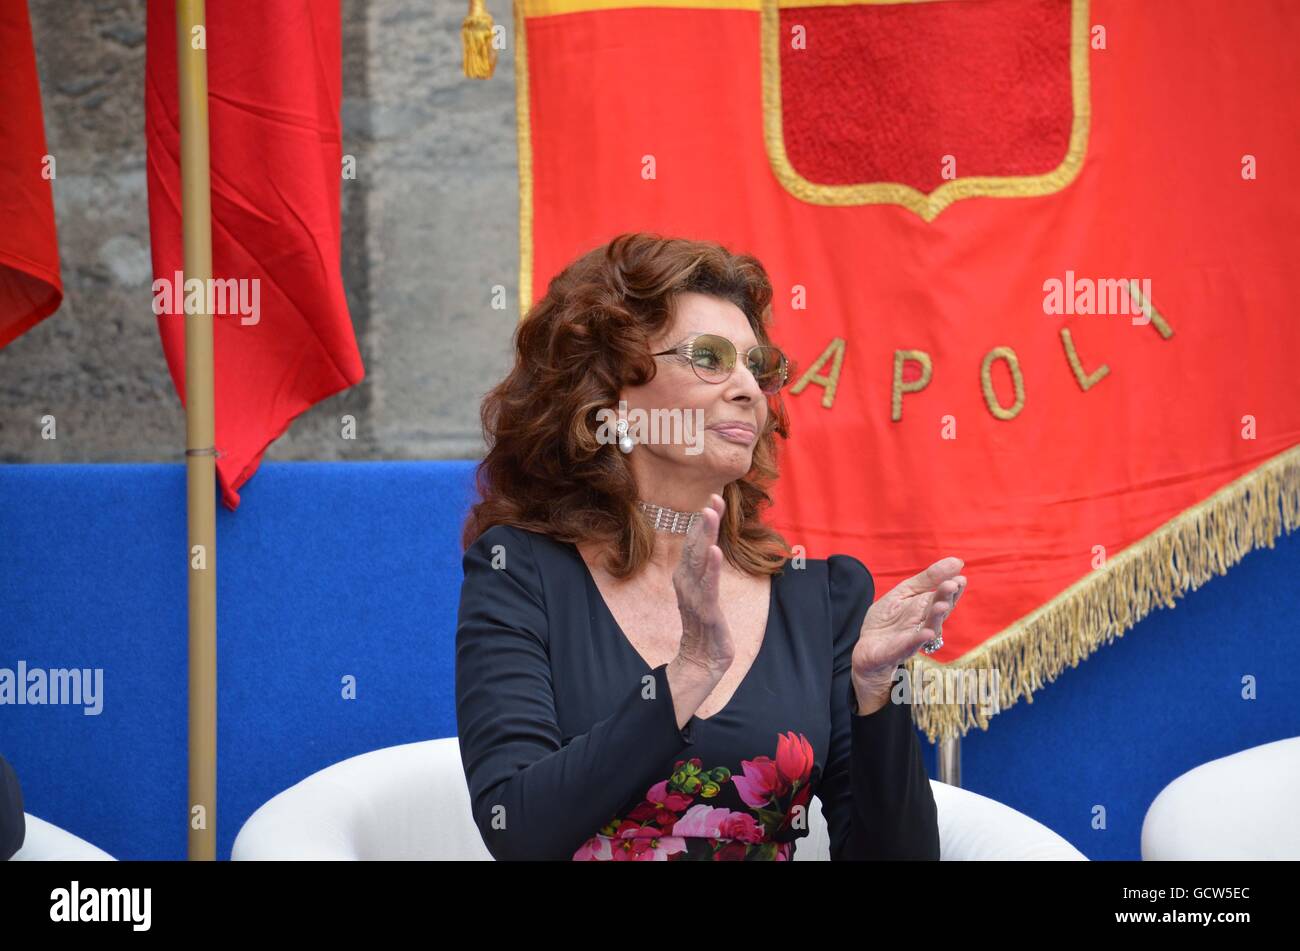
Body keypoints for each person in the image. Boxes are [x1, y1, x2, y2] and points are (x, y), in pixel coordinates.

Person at [455, 232, 966, 861]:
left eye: (759, 366)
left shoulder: (825, 596)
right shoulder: (521, 571)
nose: (749, 388)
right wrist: (688, 674)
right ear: (610, 389)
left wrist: (878, 694)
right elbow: (517, 829)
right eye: (709, 358)